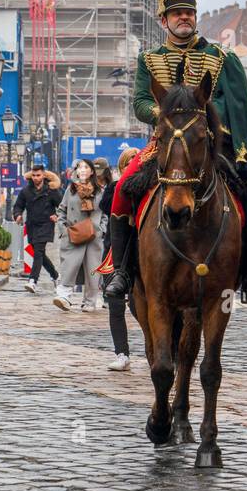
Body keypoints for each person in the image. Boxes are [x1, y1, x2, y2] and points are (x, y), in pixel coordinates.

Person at [105, 0, 247, 305]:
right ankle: (121, 270)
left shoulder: (220, 58)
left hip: (211, 146)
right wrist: (164, 118)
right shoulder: (149, 59)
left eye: (189, 12)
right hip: (164, 145)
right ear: (163, 19)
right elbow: (139, 102)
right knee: (123, 190)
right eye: (176, 13)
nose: (184, 18)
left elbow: (240, 107)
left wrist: (239, 150)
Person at [100, 149, 137, 370]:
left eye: (136, 161)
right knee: (115, 305)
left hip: (139, 252)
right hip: (115, 253)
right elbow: (104, 206)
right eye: (128, 162)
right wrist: (122, 184)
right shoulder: (116, 187)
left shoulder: (149, 187)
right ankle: (122, 353)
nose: (132, 164)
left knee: (137, 306)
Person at [54, 159, 105, 312]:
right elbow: (61, 210)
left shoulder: (99, 191)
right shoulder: (71, 190)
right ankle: (64, 296)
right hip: (73, 234)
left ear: (91, 171)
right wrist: (63, 229)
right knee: (69, 265)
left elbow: (105, 214)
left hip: (93, 235)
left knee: (92, 270)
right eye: (79, 167)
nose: (82, 170)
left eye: (85, 167)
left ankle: (89, 301)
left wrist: (102, 229)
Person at [13, 156, 61, 294]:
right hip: (32, 225)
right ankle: (55, 276)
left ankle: (33, 281)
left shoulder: (51, 191)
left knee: (39, 251)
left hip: (46, 224)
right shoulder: (26, 191)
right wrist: (18, 215)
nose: (35, 178)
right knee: (40, 254)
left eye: (38, 175)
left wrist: (57, 216)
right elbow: (18, 206)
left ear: (44, 175)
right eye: (33, 175)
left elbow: (63, 206)